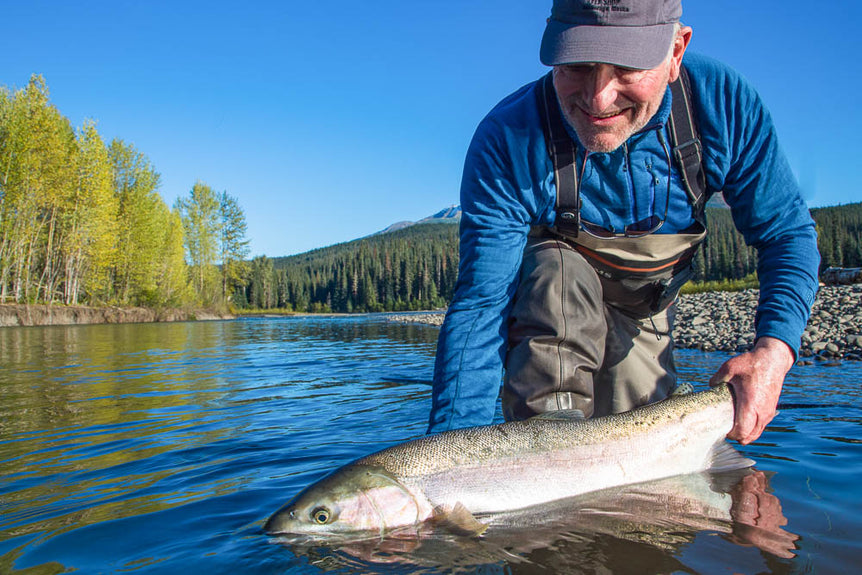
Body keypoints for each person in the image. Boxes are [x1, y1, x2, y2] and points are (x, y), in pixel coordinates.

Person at [428, 0, 820, 444]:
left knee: (642, 453)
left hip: (646, 307)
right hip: (551, 300)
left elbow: (786, 235)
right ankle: (547, 458)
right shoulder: (508, 137)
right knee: (555, 274)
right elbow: (482, 306)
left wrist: (773, 353)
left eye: (627, 67)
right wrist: (448, 462)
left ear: (676, 52)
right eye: (577, 65)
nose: (598, 98)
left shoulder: (720, 104)